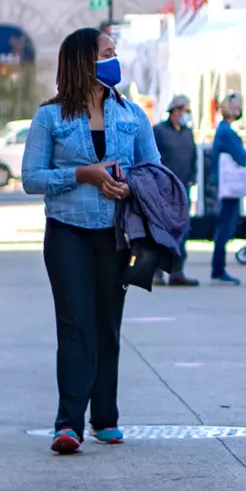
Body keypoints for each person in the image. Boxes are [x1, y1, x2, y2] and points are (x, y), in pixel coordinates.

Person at [22, 27, 158, 454]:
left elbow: (153, 171)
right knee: (75, 324)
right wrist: (82, 174)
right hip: (67, 233)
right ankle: (68, 424)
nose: (114, 60)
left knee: (107, 325)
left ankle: (106, 418)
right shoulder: (50, 117)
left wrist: (129, 187)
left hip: (116, 234)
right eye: (107, 53)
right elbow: (31, 178)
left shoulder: (132, 114)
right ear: (83, 61)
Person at [151, 93, 199, 286]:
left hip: (183, 189)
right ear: (175, 110)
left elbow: (193, 157)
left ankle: (177, 271)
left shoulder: (187, 133)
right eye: (185, 110)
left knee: (182, 231)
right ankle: (155, 271)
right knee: (162, 229)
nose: (187, 114)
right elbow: (149, 157)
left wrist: (192, 179)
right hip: (163, 188)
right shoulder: (159, 132)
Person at [210, 92, 246, 286]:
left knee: (224, 225)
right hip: (228, 187)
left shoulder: (223, 130)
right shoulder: (227, 132)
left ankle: (218, 268)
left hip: (224, 186)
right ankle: (218, 269)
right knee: (226, 226)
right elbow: (242, 156)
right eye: (238, 105)